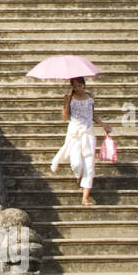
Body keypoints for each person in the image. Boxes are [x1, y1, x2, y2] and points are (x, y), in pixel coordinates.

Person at [50, 76, 112, 207]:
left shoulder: (90, 96)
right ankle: (78, 177)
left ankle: (85, 198)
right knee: (76, 164)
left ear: (83, 85)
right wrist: (65, 104)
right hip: (75, 133)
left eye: (79, 85)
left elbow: (92, 114)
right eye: (74, 86)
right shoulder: (70, 98)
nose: (77, 88)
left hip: (88, 133)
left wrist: (103, 124)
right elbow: (65, 117)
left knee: (89, 166)